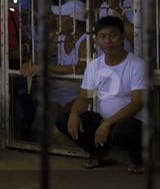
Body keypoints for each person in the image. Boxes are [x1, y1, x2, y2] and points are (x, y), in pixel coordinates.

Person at [56, 16, 147, 174]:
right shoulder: (94, 66)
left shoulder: (136, 65)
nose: (108, 41)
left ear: (122, 37)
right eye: (102, 36)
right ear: (97, 40)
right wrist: (74, 113)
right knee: (64, 119)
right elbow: (85, 98)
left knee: (124, 131)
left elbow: (136, 104)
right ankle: (99, 155)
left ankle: (138, 160)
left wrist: (107, 124)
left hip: (131, 122)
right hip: (105, 121)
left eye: (113, 35)